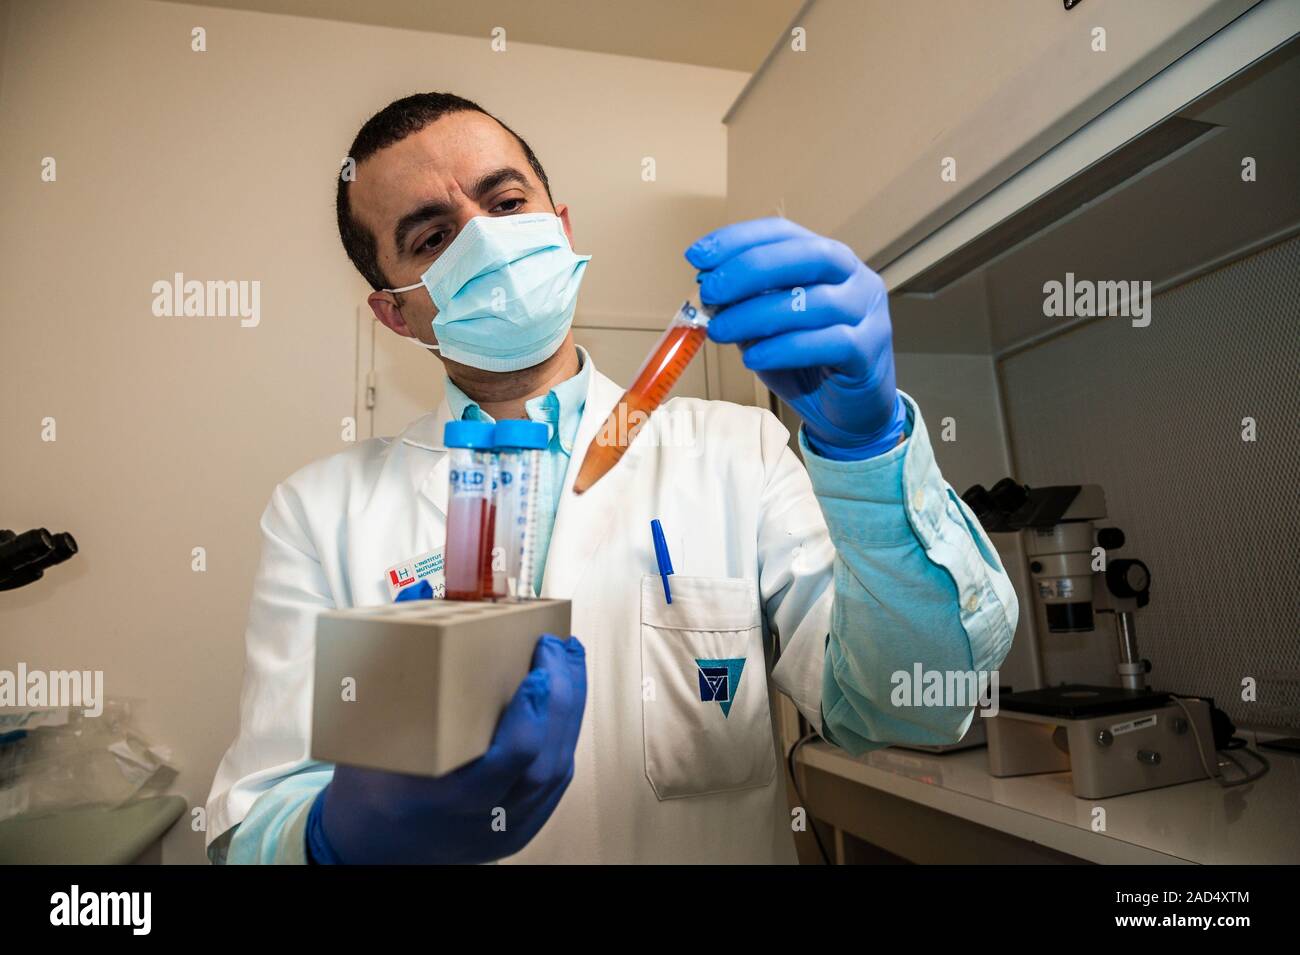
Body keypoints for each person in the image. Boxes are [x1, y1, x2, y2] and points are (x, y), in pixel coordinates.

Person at [205, 92, 1018, 864]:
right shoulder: (319, 511)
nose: (485, 240)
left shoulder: (741, 450)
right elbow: (250, 824)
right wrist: (336, 837)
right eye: (432, 237)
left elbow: (915, 709)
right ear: (396, 311)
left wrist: (868, 451)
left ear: (559, 227)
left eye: (507, 202)